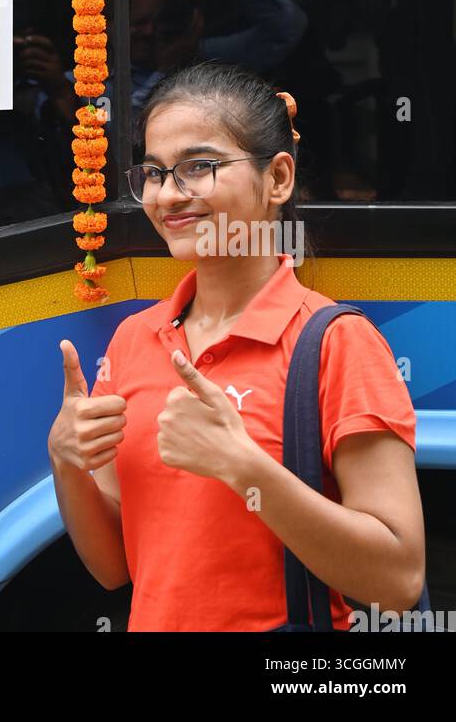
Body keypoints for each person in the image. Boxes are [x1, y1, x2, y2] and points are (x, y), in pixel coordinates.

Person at [49, 60, 425, 632]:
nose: (168, 196)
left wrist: (241, 466)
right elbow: (113, 570)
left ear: (277, 179)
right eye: (153, 172)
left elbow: (397, 582)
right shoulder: (134, 339)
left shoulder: (336, 342)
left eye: (199, 167)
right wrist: (65, 459)